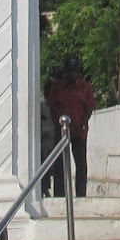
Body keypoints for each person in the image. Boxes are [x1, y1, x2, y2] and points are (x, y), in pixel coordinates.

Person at [43, 56, 96, 197]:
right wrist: (58, 125)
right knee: (59, 165)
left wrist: (82, 124)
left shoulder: (85, 87)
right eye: (70, 71)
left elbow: (89, 108)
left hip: (79, 132)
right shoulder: (57, 88)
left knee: (81, 164)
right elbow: (52, 108)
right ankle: (60, 195)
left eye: (75, 71)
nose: (72, 74)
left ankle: (81, 194)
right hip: (61, 132)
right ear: (65, 71)